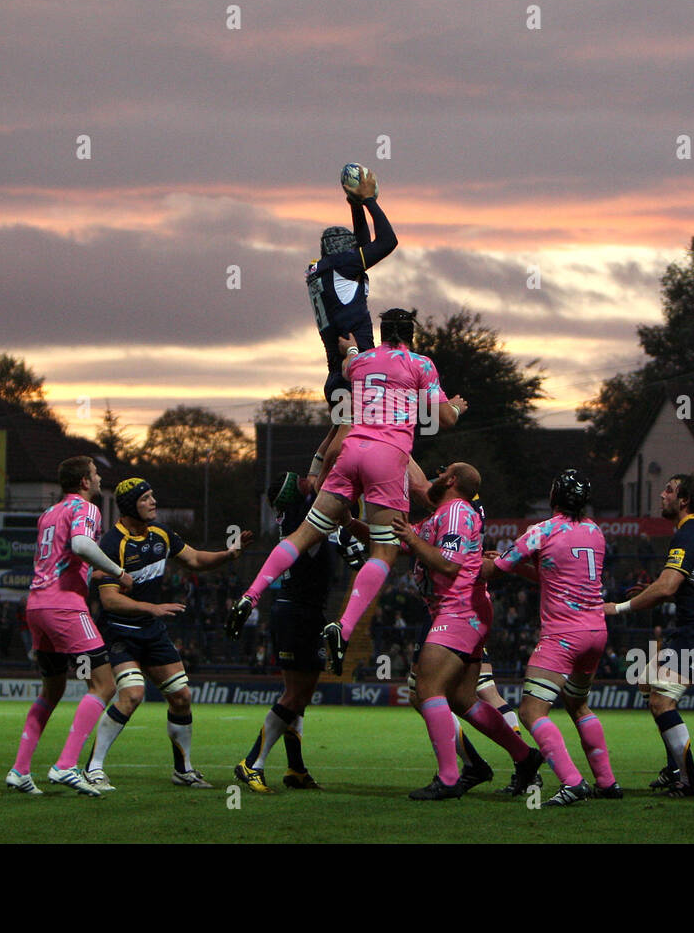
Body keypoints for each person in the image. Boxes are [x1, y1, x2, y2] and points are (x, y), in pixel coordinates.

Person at [229, 308, 467, 674]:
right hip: (389, 457)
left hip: (353, 450)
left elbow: (348, 368)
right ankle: (344, 626)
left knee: (303, 534)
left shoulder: (363, 361)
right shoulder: (420, 363)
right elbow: (445, 419)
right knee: (385, 552)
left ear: (382, 333)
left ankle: (251, 594)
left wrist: (352, 349)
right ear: (411, 336)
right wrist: (455, 407)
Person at [83, 476, 252, 790]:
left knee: (181, 697)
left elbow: (195, 559)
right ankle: (93, 768)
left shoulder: (160, 533)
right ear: (131, 505)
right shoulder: (111, 543)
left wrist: (227, 555)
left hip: (152, 632)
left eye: (152, 496)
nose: (153, 502)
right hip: (121, 633)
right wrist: (152, 608)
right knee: (132, 695)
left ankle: (183, 770)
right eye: (146, 498)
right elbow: (109, 599)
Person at [393, 463, 545, 800]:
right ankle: (525, 755)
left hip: (458, 610)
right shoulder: (443, 514)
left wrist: (412, 539)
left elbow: (448, 562)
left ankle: (449, 779)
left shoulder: (457, 511)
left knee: (427, 689)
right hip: (462, 611)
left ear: (450, 480)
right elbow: (400, 541)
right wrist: (351, 524)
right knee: (463, 698)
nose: (435, 476)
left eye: (442, 472)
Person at [482, 469, 621, 807]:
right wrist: (517, 567)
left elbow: (494, 571)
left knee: (532, 712)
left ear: (553, 497)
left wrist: (483, 562)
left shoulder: (542, 531)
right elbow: (555, 576)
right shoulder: (596, 533)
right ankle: (607, 782)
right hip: (596, 631)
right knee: (577, 703)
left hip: (563, 634)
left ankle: (572, 783)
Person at [5, 456, 132, 798]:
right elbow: (80, 545)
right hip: (64, 606)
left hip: (36, 605)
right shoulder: (87, 509)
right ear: (85, 482)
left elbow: (66, 554)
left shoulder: (48, 514)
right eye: (95, 473)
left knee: (52, 689)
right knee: (104, 684)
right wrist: (118, 572)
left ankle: (20, 770)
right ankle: (65, 764)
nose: (100, 477)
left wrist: (95, 571)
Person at [234, 472, 365, 792]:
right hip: (296, 612)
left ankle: (295, 769)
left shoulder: (299, 518)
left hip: (302, 611)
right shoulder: (304, 518)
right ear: (296, 493)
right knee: (295, 694)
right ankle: (252, 762)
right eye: (303, 480)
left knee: (300, 696)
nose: (311, 479)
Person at [603, 472, 694, 798]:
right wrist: (652, 590)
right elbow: (687, 584)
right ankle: (675, 768)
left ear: (684, 500)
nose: (662, 495)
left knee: (660, 700)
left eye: (669, 490)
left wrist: (619, 607)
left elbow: (669, 586)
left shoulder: (687, 534)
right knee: (647, 681)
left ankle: (690, 782)